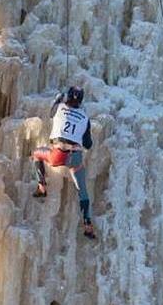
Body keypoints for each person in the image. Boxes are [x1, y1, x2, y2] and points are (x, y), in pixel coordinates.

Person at [30, 86, 96, 239]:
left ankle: (41, 186)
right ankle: (87, 224)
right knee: (83, 192)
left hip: (57, 155)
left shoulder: (59, 108)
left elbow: (50, 113)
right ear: (80, 100)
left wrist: (58, 99)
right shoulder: (85, 118)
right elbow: (88, 144)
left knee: (36, 154)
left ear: (68, 97)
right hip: (75, 158)